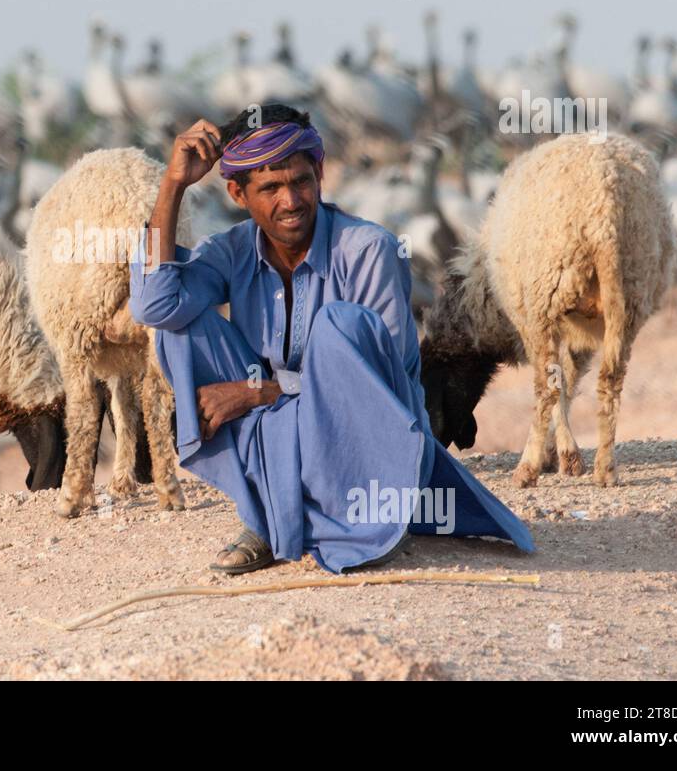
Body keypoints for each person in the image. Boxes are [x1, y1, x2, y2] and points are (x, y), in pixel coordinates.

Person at [129, 104, 535, 574]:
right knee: (181, 330)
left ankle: (357, 519)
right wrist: (173, 185)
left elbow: (381, 386)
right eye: (271, 188)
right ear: (238, 193)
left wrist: (256, 392)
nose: (291, 201)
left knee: (339, 326)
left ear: (319, 172)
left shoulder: (368, 251)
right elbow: (154, 305)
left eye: (300, 181)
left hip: (365, 448)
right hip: (280, 433)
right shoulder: (233, 250)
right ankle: (267, 514)